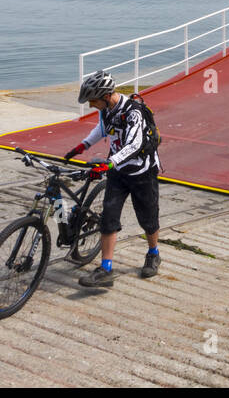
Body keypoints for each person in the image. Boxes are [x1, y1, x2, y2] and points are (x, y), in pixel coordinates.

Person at [66, 70, 163, 288]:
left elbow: (134, 145)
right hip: (118, 172)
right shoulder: (107, 110)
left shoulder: (133, 112)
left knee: (148, 219)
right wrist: (82, 146)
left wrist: (110, 162)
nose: (91, 105)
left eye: (93, 100)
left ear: (105, 95)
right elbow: (101, 130)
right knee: (109, 219)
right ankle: (105, 269)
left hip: (141, 172)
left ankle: (153, 253)